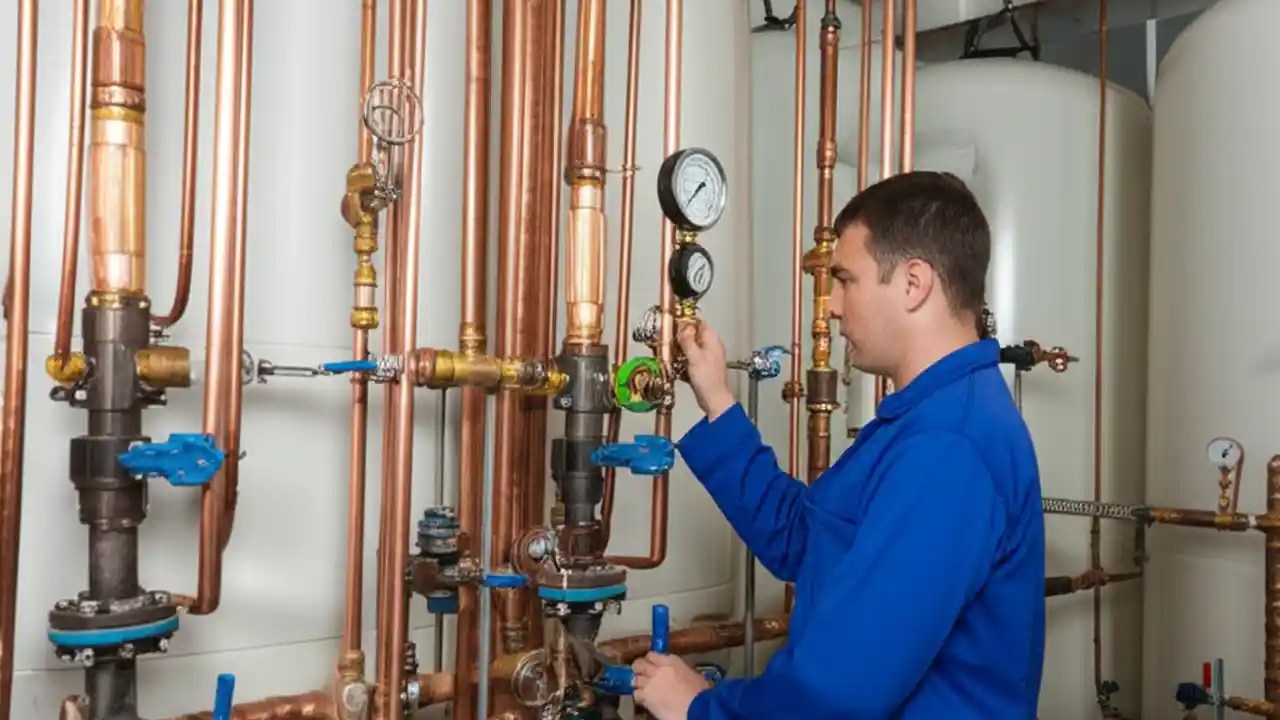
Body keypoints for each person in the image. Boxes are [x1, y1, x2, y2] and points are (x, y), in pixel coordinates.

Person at [631, 171, 1045, 719]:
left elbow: (837, 693)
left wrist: (699, 708)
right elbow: (806, 539)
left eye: (846, 280)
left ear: (913, 283)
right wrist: (718, 400)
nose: (830, 306)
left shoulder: (949, 446)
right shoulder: (924, 419)